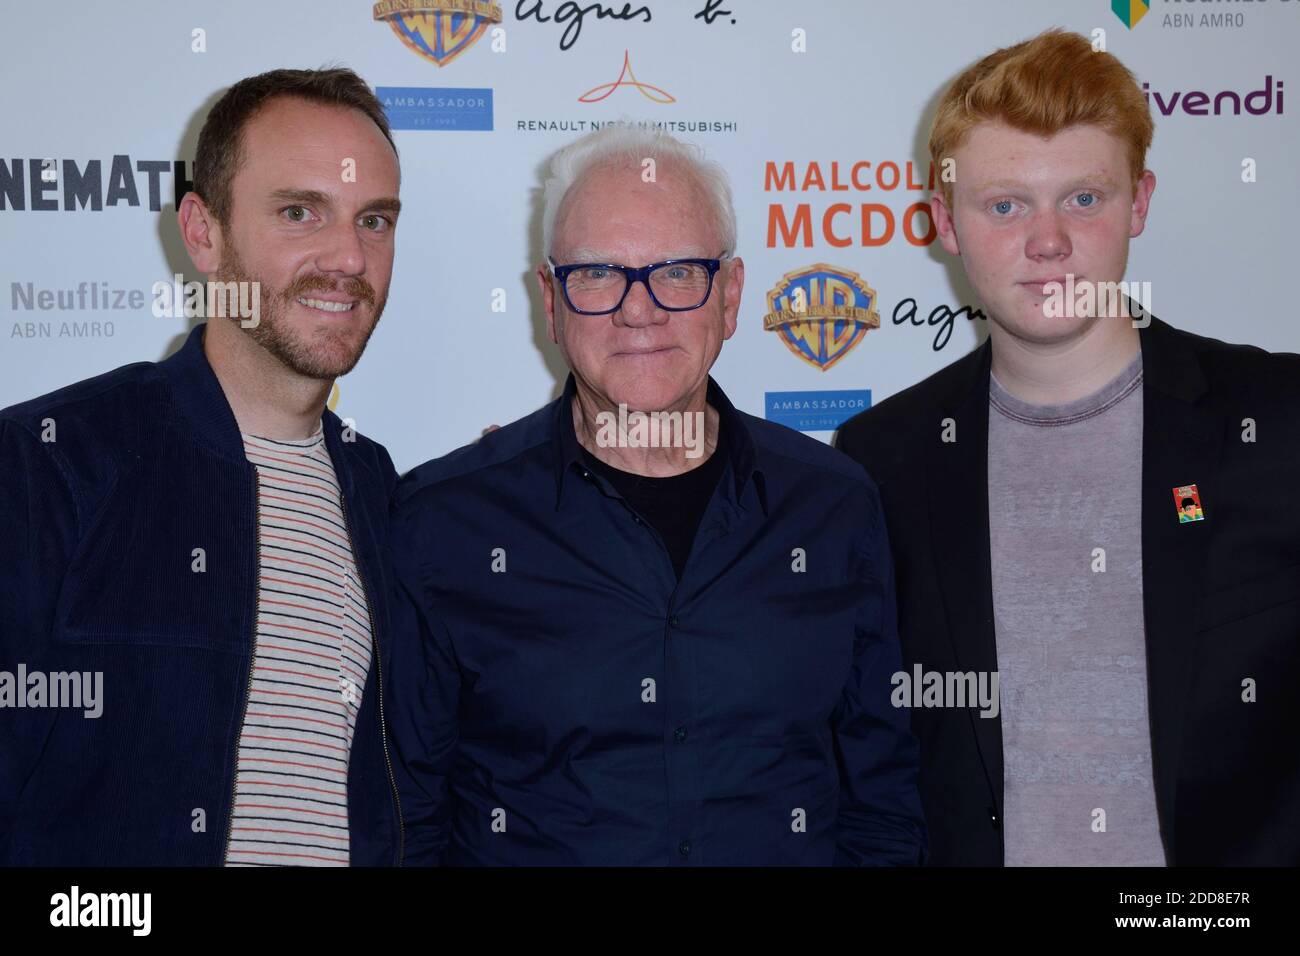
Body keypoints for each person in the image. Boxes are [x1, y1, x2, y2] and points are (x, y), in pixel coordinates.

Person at [390, 125, 925, 865]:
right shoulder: (442, 523)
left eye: (677, 272)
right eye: (598, 274)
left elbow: (884, 805)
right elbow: (408, 824)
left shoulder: (834, 508)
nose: (638, 311)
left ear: (731, 296)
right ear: (551, 301)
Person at [837, 29, 1300, 865]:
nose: (1047, 242)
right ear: (946, 222)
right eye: (1006, 204)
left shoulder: (1280, 419)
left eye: (1083, 198)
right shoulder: (882, 457)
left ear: (1141, 202)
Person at [0, 67, 405, 865]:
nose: (349, 257)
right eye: (299, 212)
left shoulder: (388, 497)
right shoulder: (47, 463)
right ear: (203, 231)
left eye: (376, 220)